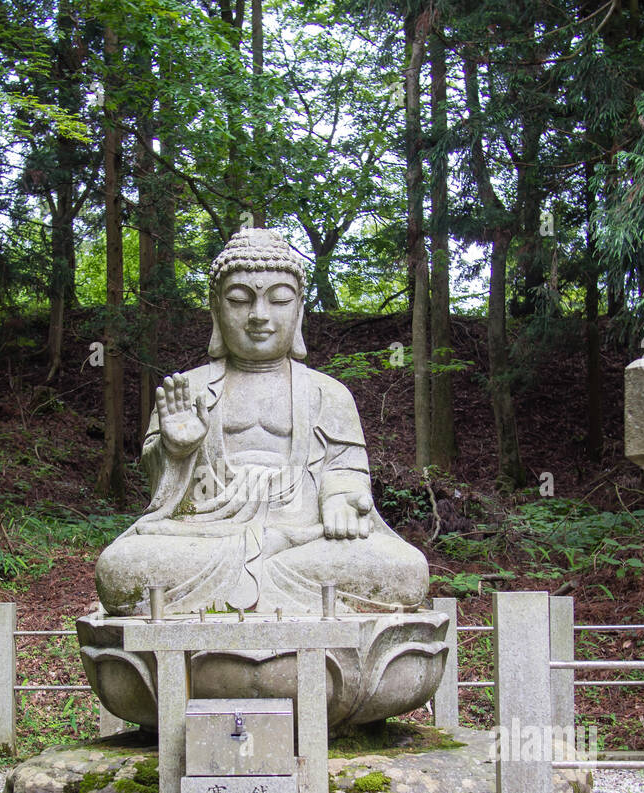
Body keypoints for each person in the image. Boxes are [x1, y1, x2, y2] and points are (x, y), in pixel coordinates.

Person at [95, 228, 428, 615]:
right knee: (119, 568)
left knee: (404, 571)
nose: (259, 315)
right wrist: (176, 449)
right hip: (204, 537)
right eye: (239, 300)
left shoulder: (328, 394)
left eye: (279, 299)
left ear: (299, 308)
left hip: (301, 539)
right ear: (216, 308)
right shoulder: (188, 390)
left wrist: (339, 498)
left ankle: (235, 596)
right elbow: (162, 495)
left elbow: (347, 470)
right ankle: (282, 599)